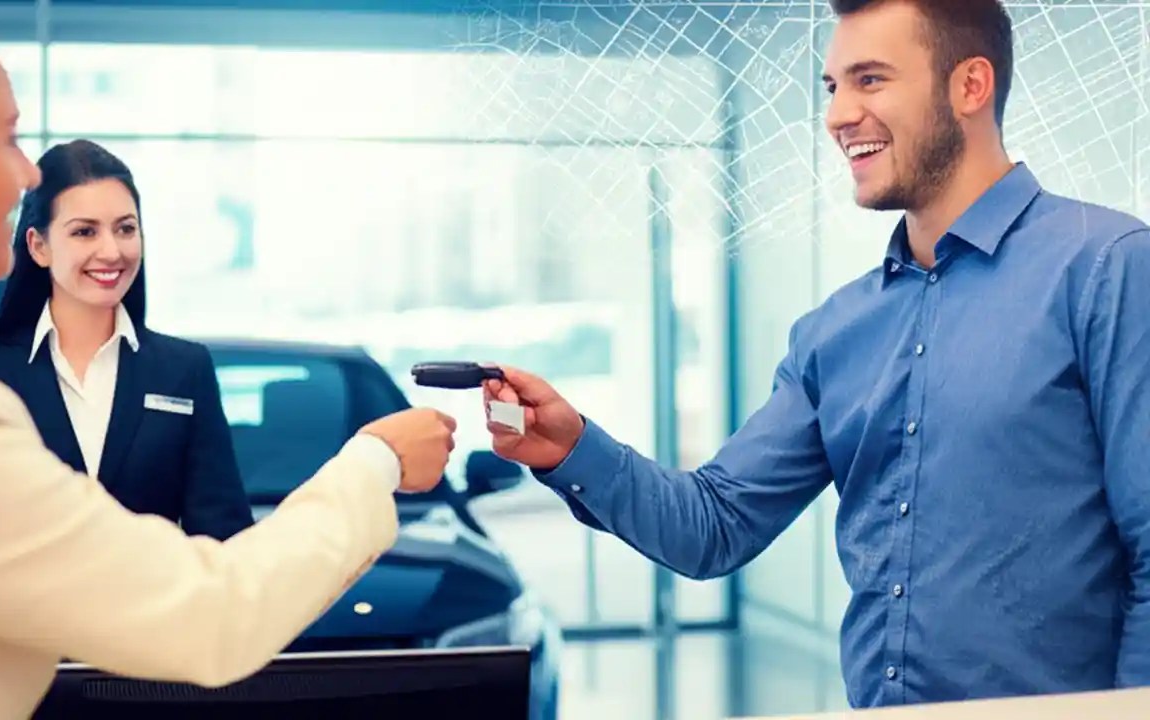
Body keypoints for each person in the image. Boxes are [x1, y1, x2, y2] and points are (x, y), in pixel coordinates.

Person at [483, 0, 1150, 709]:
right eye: (832, 87)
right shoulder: (836, 331)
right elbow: (714, 526)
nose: (836, 116)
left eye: (870, 80)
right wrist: (571, 448)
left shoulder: (1107, 269)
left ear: (970, 86)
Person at [0, 2, 457, 718]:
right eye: (6, 139)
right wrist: (377, 459)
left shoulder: (170, 370)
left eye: (124, 228)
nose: (26, 174)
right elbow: (214, 612)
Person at [0, 140, 253, 541]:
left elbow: (223, 536)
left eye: (125, 228)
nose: (112, 251)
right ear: (39, 246)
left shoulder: (183, 369)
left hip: (151, 601)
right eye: (85, 232)